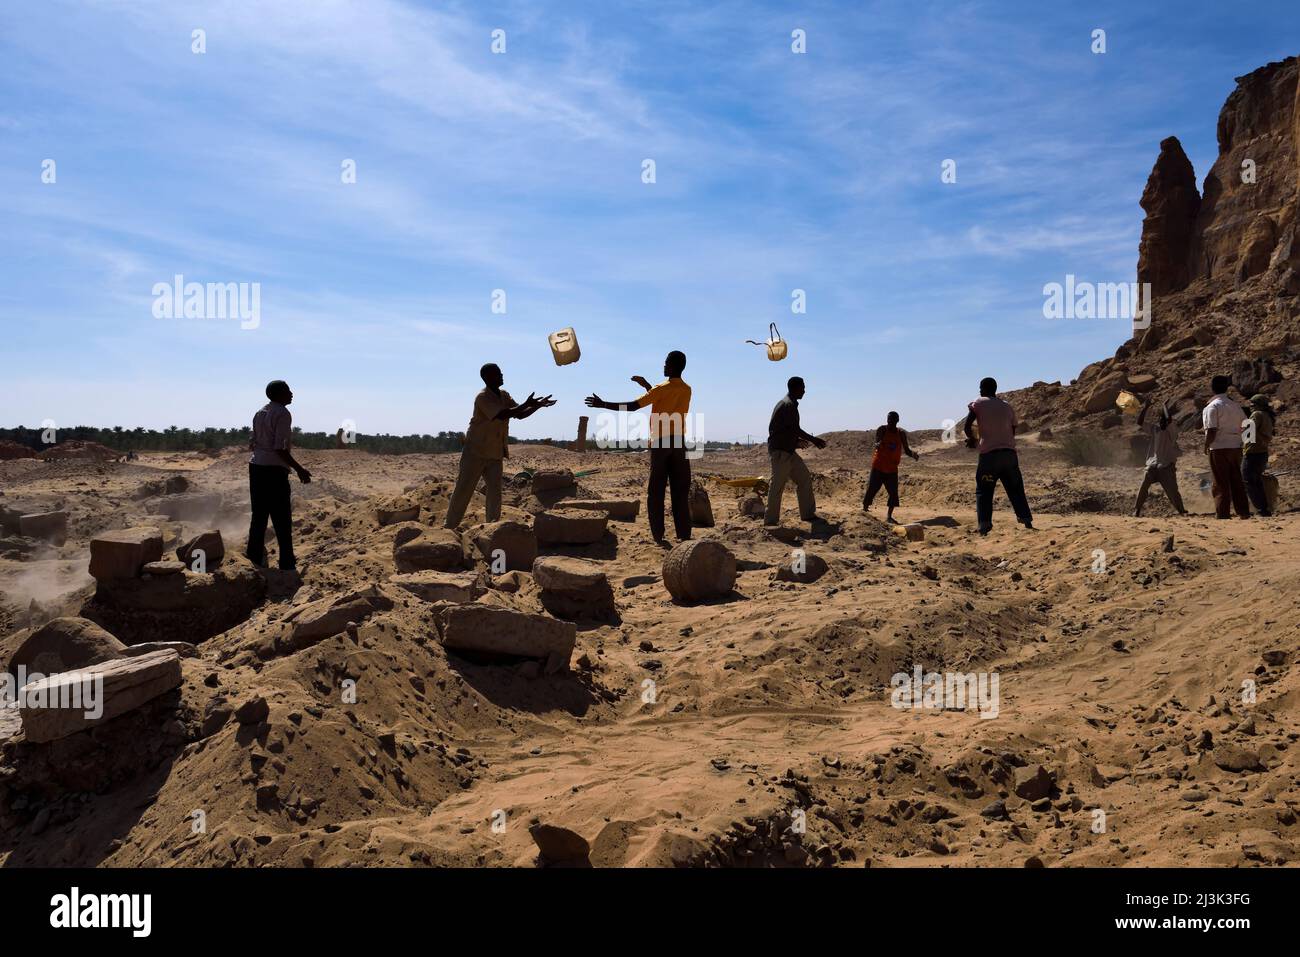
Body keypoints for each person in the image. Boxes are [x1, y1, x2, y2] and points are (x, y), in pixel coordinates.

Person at [586, 351, 693, 545]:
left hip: (661, 444)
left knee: (656, 492)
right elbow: (664, 398)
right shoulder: (687, 389)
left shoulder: (661, 389)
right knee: (680, 491)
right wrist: (646, 386)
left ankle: (658, 536)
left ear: (672, 366)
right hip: (679, 443)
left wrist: (603, 404)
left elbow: (634, 406)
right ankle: (684, 535)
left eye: (666, 363)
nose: (663, 366)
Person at [444, 364, 556, 528]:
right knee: (464, 490)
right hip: (475, 451)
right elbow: (502, 414)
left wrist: (536, 406)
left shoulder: (504, 395)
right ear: (487, 377)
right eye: (498, 373)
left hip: (495, 453)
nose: (502, 375)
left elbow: (519, 414)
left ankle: (492, 527)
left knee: (495, 493)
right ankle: (450, 527)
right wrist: (526, 403)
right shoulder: (482, 397)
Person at [247, 380, 312, 571]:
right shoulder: (282, 413)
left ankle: (254, 560)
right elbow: (280, 448)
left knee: (258, 517)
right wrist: (299, 469)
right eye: (287, 391)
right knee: (282, 519)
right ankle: (287, 564)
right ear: (278, 394)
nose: (291, 393)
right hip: (274, 471)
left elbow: (253, 442)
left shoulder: (260, 412)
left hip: (256, 466)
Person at [964, 377, 1033, 534]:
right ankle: (1026, 520)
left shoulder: (979, 402)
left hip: (989, 456)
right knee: (1016, 489)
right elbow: (1012, 430)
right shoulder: (1007, 407)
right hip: (1009, 455)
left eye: (980, 387)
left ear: (983, 388)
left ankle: (984, 525)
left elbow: (967, 426)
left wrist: (973, 440)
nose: (980, 390)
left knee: (984, 490)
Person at [765, 376, 827, 526]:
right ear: (795, 388)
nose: (804, 391)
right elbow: (795, 429)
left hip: (788, 451)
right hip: (780, 453)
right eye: (802, 387)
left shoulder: (789, 404)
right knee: (777, 487)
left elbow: (787, 430)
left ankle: (807, 514)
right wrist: (814, 440)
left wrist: (795, 442)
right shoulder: (788, 405)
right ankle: (771, 522)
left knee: (804, 478)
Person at [1202, 375, 1250, 519]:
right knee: (1237, 480)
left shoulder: (1212, 407)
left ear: (1212, 388)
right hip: (1236, 447)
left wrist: (1206, 445)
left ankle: (1223, 513)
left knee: (1220, 482)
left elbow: (1211, 430)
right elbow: (1247, 425)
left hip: (1218, 448)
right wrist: (1246, 443)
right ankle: (1243, 512)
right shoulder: (1235, 405)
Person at [1134, 396, 1187, 517]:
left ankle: (1181, 510)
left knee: (1173, 492)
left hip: (1166, 466)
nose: (1162, 421)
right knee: (1143, 487)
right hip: (1153, 464)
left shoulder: (1172, 432)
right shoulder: (1155, 430)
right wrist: (1146, 407)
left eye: (1164, 419)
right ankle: (1136, 510)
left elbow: (1169, 420)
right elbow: (1140, 422)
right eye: (1160, 419)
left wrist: (1164, 406)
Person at [863, 411, 919, 523]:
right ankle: (864, 510)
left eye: (892, 420)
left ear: (897, 421)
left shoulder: (901, 434)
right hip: (879, 466)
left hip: (892, 468)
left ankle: (889, 516)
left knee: (893, 493)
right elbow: (877, 441)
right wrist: (877, 444)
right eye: (889, 420)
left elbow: (906, 450)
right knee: (872, 488)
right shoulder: (882, 429)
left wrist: (913, 455)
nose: (890, 422)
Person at [1242, 393, 1275, 517]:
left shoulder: (1257, 414)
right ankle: (1264, 508)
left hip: (1253, 452)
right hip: (1262, 452)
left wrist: (1244, 422)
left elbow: (1247, 433)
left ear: (1258, 405)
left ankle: (1261, 509)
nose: (1251, 406)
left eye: (1252, 404)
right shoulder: (1267, 415)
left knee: (1249, 481)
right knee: (1256, 481)